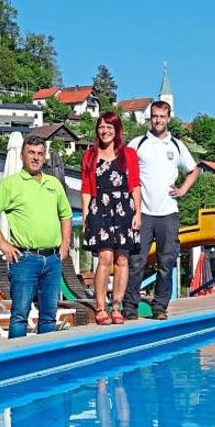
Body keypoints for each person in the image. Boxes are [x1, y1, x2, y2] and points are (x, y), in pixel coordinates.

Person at [0, 135, 73, 338]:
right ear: (23, 155)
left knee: (49, 315)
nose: (36, 158)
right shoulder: (10, 184)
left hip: (52, 259)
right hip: (24, 258)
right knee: (20, 315)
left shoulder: (54, 184)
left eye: (40, 154)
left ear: (45, 157)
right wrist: (2, 243)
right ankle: (18, 366)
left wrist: (65, 242)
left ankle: (46, 362)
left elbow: (66, 215)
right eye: (31, 153)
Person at [124, 101, 199, 321]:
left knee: (166, 263)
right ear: (150, 118)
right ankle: (130, 306)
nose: (158, 120)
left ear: (169, 118)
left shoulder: (176, 145)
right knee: (136, 261)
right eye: (155, 116)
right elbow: (125, 171)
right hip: (143, 212)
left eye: (162, 117)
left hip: (168, 213)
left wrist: (183, 189)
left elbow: (194, 170)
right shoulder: (137, 144)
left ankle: (159, 307)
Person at [81, 112, 142, 325]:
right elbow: (87, 188)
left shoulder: (129, 154)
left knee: (122, 260)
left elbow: (135, 184)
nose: (105, 131)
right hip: (100, 208)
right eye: (101, 127)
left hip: (125, 208)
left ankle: (117, 306)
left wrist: (138, 213)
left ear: (117, 130)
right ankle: (100, 306)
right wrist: (87, 215)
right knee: (105, 258)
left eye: (109, 127)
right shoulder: (89, 155)